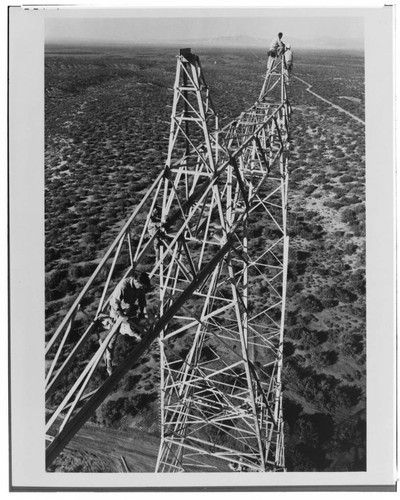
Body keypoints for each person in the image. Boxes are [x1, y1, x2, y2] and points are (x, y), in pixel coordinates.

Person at [104, 270, 151, 375]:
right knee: (113, 337)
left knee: (140, 324)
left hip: (129, 309)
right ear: (136, 281)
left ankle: (139, 336)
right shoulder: (123, 286)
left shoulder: (139, 286)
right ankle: (108, 362)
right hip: (117, 312)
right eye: (141, 286)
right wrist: (122, 316)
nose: (142, 288)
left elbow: (141, 298)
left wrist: (142, 312)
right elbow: (115, 303)